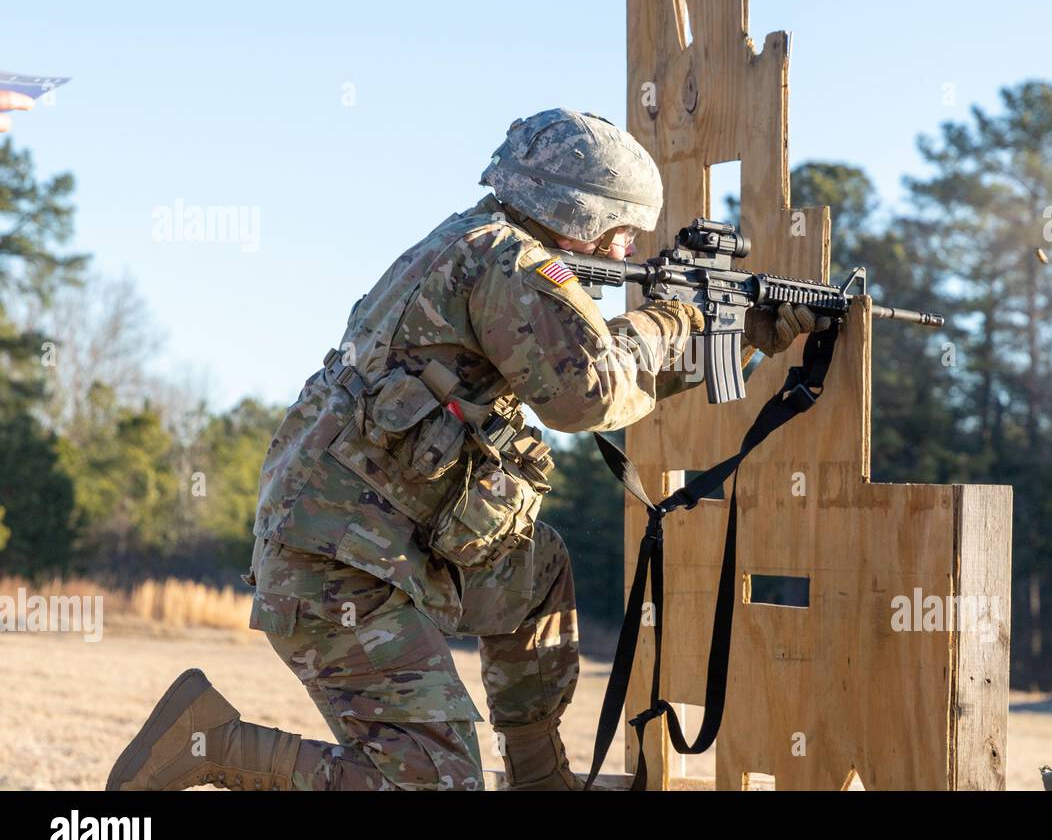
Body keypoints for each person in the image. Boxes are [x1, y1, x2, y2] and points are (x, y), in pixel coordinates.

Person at [106, 108, 822, 791]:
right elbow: (588, 392)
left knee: (534, 570)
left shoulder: (474, 242)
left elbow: (591, 364)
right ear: (585, 216)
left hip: (379, 542)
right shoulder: (509, 263)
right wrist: (681, 317)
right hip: (337, 566)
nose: (627, 251)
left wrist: (739, 332)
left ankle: (540, 779)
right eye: (624, 232)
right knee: (432, 781)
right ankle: (208, 741)